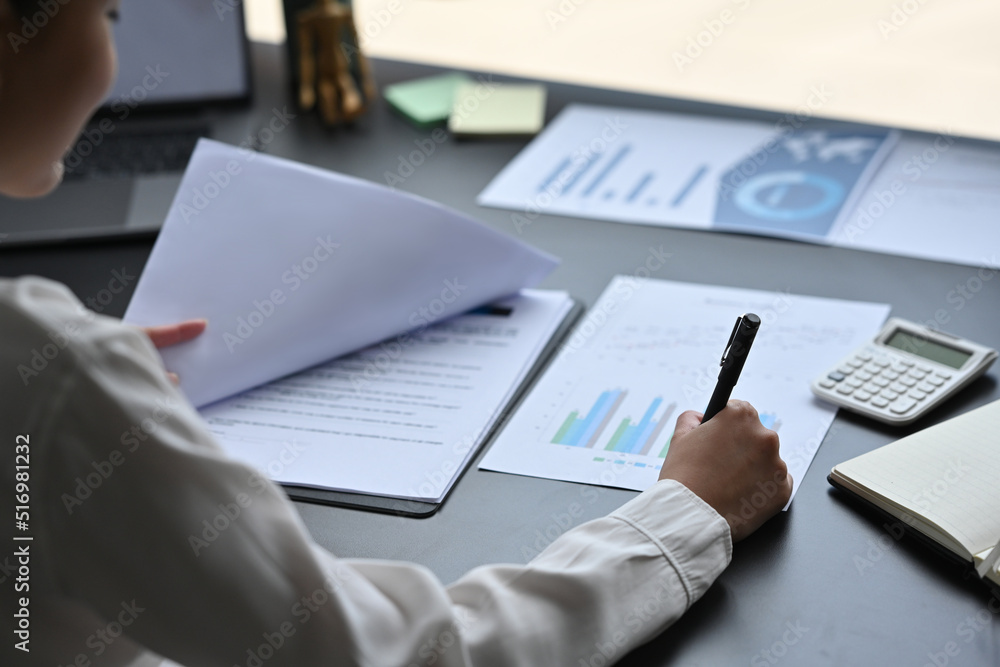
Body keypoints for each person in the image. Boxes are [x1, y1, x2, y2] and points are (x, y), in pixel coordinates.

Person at [0, 1, 792, 665]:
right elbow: (405, 656)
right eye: (105, 11)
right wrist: (685, 512)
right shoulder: (53, 380)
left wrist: (80, 385)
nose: (115, 49)